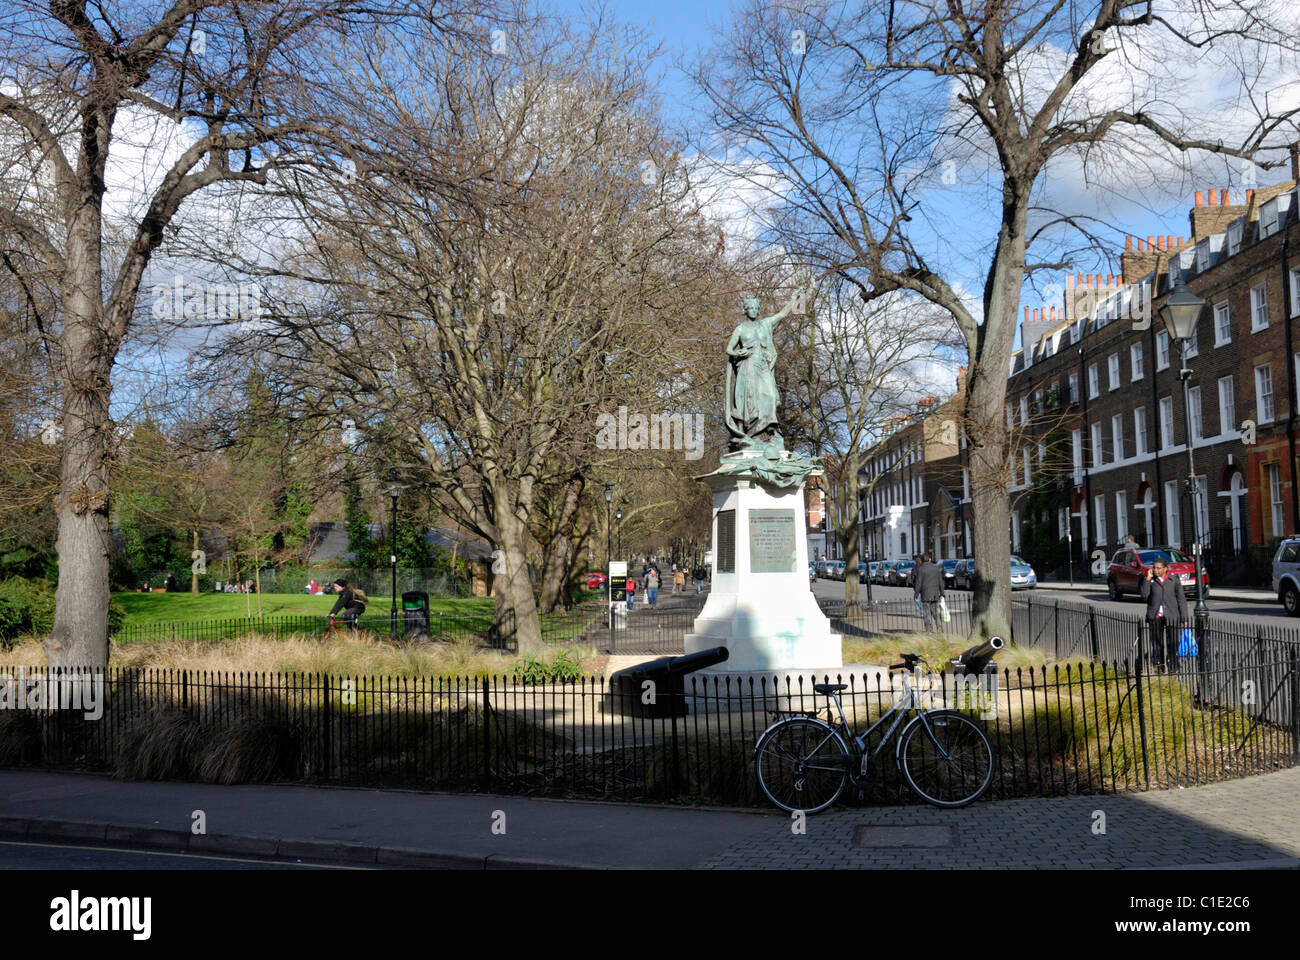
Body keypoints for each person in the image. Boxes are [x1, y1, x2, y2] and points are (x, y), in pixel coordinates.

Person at [1140, 558, 1189, 672]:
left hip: (1172, 616)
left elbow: (1181, 600)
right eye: (1154, 568)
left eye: (1159, 568)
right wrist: (1147, 579)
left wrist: (1184, 618)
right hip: (1155, 617)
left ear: (1165, 569)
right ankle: (1159, 667)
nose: (1156, 570)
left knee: (1173, 643)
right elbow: (1144, 596)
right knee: (1157, 644)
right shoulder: (1151, 581)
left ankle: (1173, 668)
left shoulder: (1174, 580)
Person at [913, 553, 945, 631]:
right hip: (935, 594)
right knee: (935, 612)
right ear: (929, 559)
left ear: (922, 560)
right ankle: (939, 626)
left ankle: (929, 629)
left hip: (925, 594)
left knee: (927, 613)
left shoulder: (920, 569)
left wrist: (916, 595)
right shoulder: (936, 568)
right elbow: (940, 582)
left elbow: (918, 583)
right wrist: (942, 593)